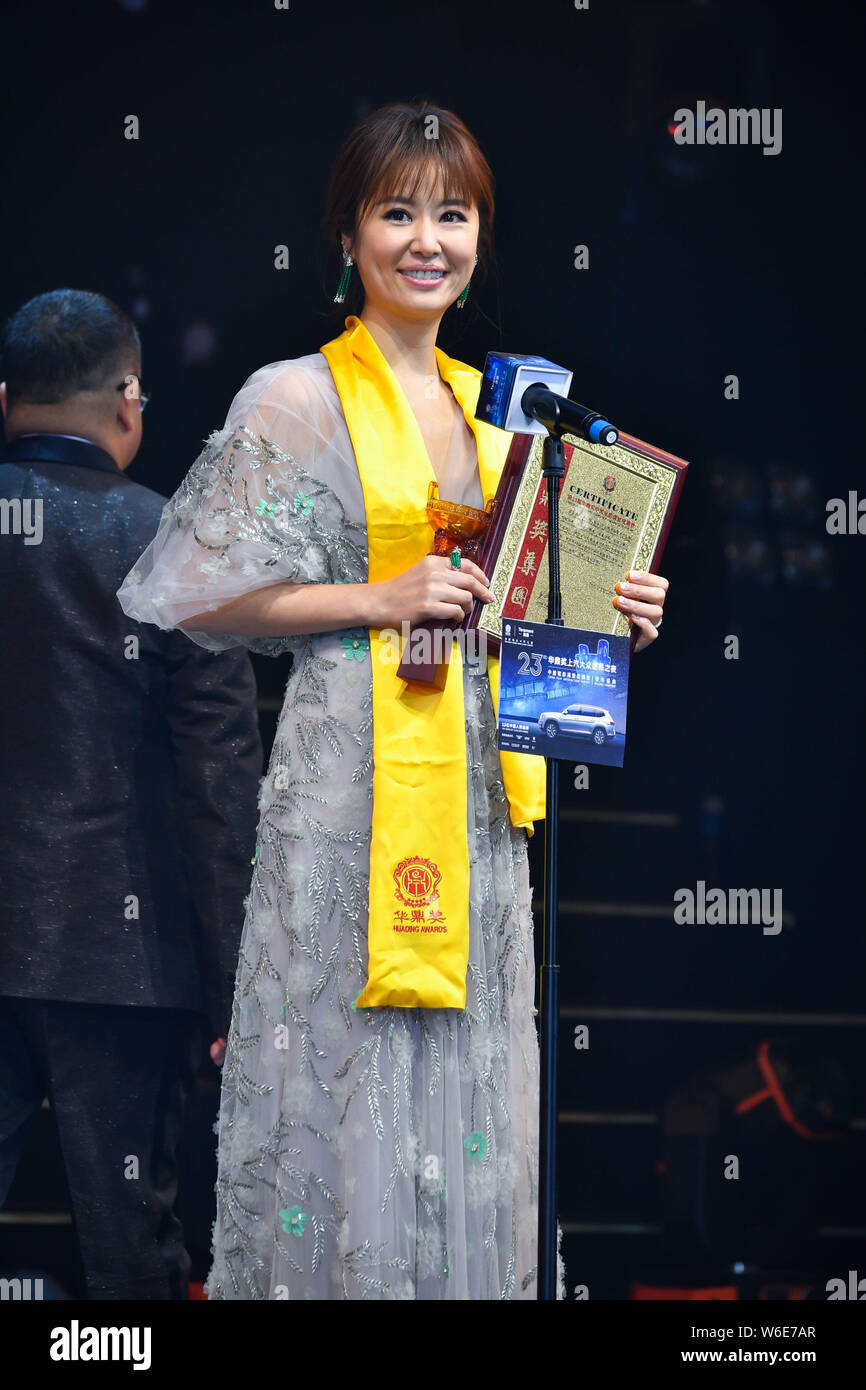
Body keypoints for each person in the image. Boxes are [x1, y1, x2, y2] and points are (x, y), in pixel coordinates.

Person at [117, 101, 669, 1300]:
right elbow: (200, 597)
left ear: (480, 236)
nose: (428, 239)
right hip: (344, 784)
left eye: (453, 214)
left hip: (473, 789)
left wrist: (612, 613)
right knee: (343, 1064)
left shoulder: (510, 411)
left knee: (465, 1086)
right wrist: (375, 598)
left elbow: (530, 616)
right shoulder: (293, 397)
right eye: (398, 211)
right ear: (348, 232)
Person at [0, 289, 263, 1299]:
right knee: (130, 1259)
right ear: (129, 403)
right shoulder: (176, 547)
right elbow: (219, 788)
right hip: (122, 958)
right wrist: (235, 983)